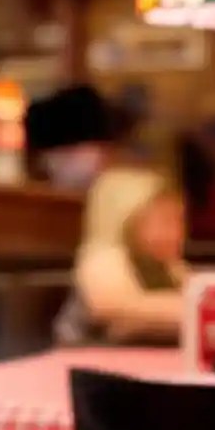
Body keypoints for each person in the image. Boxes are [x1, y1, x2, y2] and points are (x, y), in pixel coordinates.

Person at [25, 85, 188, 345]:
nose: (175, 232)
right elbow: (113, 306)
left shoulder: (163, 264)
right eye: (163, 221)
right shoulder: (103, 258)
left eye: (178, 221)